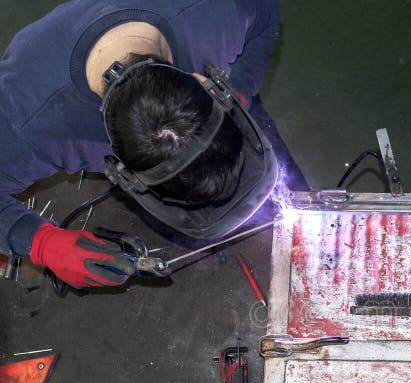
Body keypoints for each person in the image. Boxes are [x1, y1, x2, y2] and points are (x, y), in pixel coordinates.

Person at [0, 0, 306, 289]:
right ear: (121, 169)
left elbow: (267, 18)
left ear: (205, 83)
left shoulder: (221, 10)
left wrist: (239, 88)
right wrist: (39, 242)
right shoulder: (24, 126)